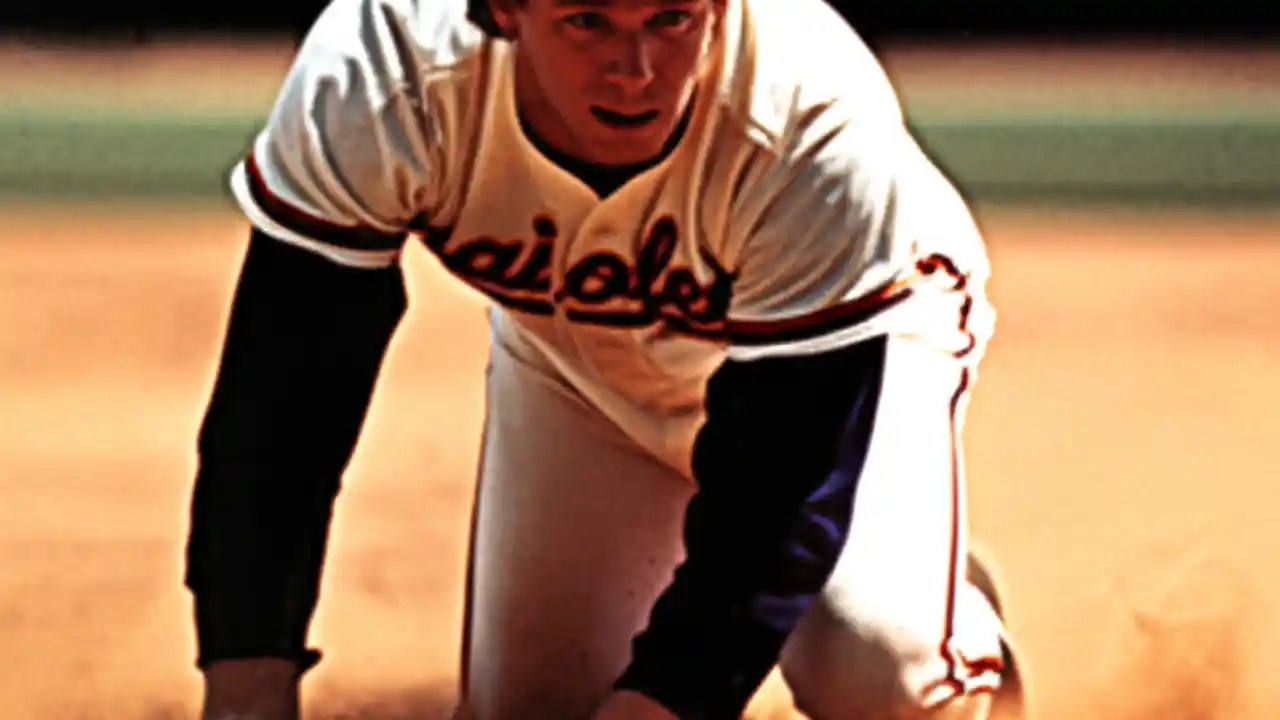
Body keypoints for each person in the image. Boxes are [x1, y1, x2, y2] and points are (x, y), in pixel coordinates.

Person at [184, 0, 1026, 717]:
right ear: (507, 7)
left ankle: (942, 603)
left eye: (672, 17)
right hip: (576, 368)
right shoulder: (385, 69)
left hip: (854, 342)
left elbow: (782, 481)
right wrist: (245, 682)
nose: (635, 67)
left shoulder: (811, 113)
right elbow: (282, 410)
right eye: (588, 19)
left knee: (873, 666)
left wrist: (665, 700)